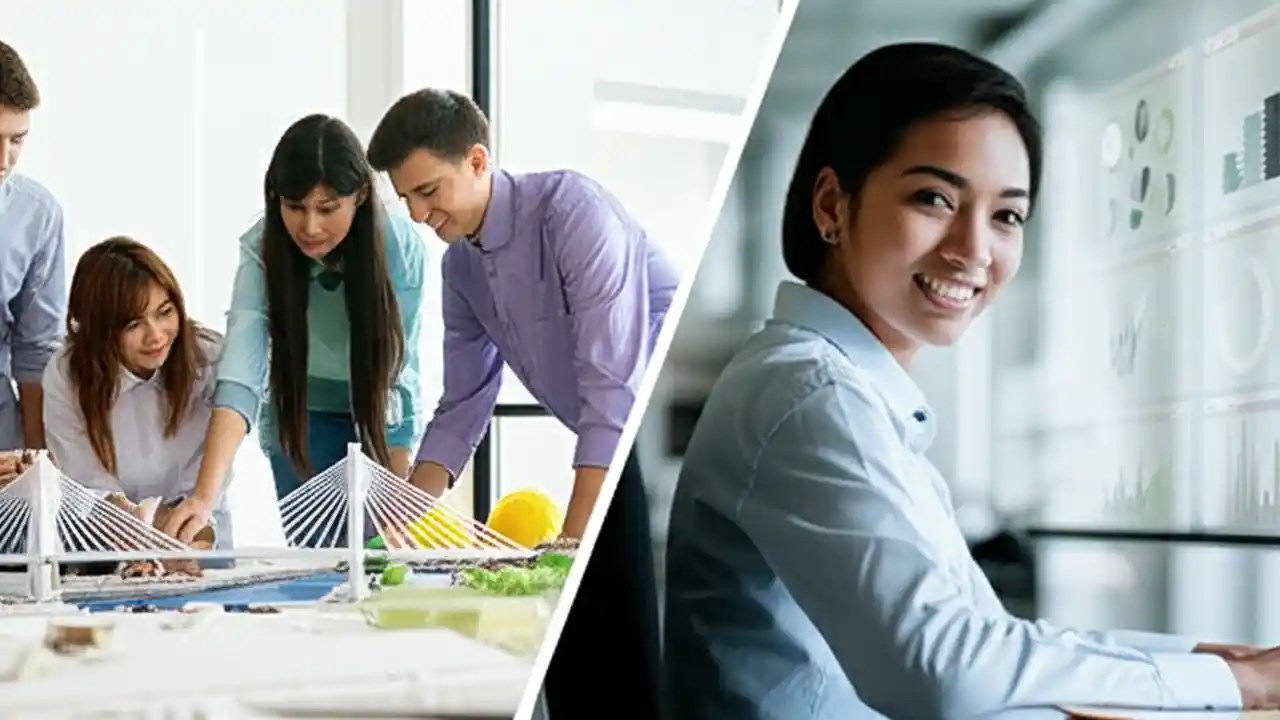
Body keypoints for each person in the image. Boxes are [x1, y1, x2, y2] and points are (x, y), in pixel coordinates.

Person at [662, 42, 1280, 719]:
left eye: (1006, 215)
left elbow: (982, 643)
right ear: (833, 206)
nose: (974, 250)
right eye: (934, 198)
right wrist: (1233, 688)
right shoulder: (811, 394)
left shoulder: (844, 392)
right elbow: (945, 673)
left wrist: (1210, 663)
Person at [366, 88, 679, 538]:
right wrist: (398, 527)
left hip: (654, 434)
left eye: (427, 191)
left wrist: (571, 544)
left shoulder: (573, 213)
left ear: (477, 161)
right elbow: (462, 405)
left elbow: (610, 392)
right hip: (619, 451)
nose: (416, 214)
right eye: (406, 198)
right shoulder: (460, 267)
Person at [161, 114, 427, 546]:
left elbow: (398, 375)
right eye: (294, 207)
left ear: (360, 195)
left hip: (378, 407)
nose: (309, 227)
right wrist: (203, 498)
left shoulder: (397, 244)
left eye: (327, 208)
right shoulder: (261, 247)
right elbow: (241, 375)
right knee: (322, 559)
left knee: (384, 551)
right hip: (301, 410)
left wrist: (398, 495)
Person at [43, 238, 232, 567]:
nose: (156, 335)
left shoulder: (210, 358)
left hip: (200, 533)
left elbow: (205, 488)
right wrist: (134, 532)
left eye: (165, 313)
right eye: (133, 324)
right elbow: (87, 487)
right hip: (104, 539)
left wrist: (189, 551)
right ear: (98, 330)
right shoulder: (66, 374)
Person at [0, 41, 67, 453]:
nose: (3, 159)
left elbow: (37, 348)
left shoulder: (37, 215)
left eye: (16, 141)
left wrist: (35, 462)